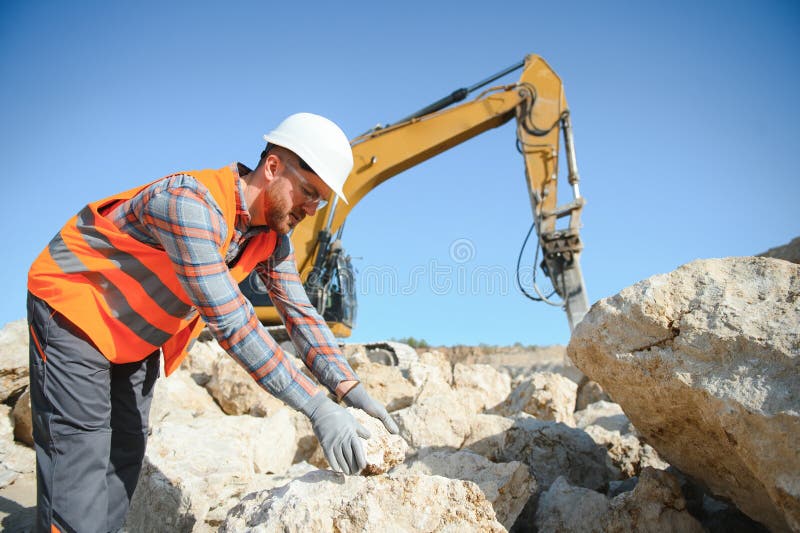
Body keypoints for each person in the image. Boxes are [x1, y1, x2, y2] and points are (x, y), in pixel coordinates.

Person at [26, 112, 397, 532]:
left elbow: (300, 314)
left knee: (126, 450)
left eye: (320, 201)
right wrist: (317, 407)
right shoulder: (190, 204)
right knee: (81, 452)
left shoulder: (271, 239)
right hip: (76, 309)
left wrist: (351, 388)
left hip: (134, 336)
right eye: (309, 192)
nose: (311, 210)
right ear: (273, 167)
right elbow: (233, 322)